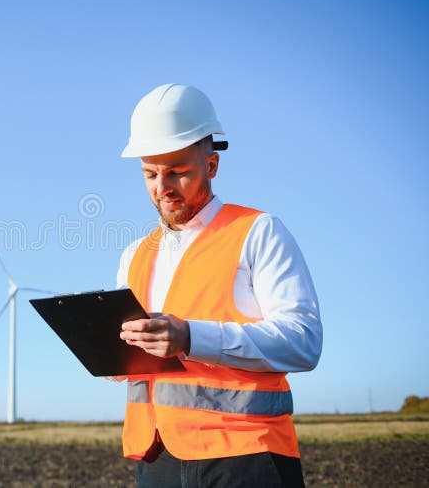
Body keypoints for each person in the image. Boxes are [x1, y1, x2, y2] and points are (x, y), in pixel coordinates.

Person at [113, 83, 322, 487]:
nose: (162, 188)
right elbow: (129, 364)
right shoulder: (134, 255)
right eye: (150, 174)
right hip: (157, 460)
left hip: (247, 457)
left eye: (178, 172)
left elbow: (304, 341)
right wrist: (106, 349)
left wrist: (191, 337)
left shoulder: (258, 232)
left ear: (211, 165)